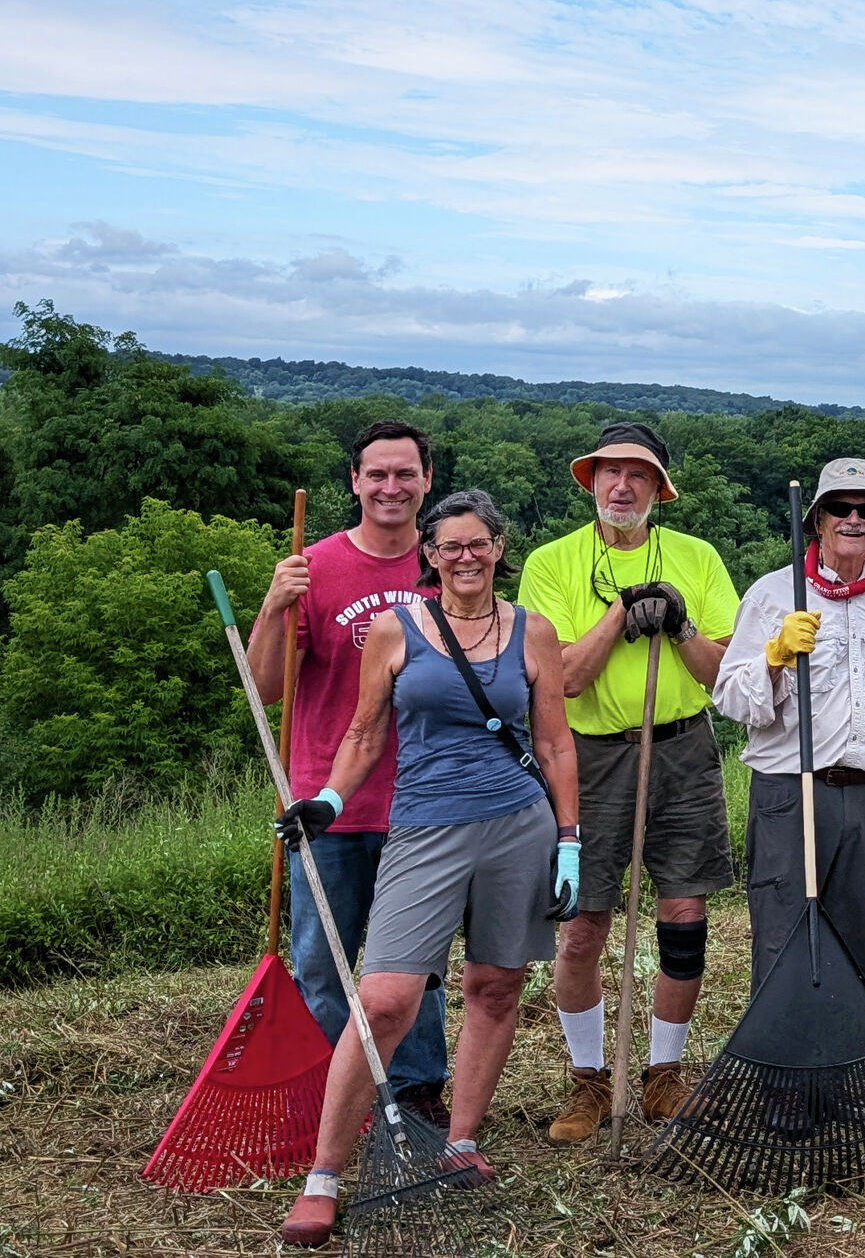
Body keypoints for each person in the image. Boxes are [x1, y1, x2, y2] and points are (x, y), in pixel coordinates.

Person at [276, 490, 580, 1246]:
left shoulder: (533, 631)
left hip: (519, 824)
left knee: (496, 983)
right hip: (424, 826)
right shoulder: (396, 627)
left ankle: (463, 1138)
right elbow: (363, 730)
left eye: (479, 544)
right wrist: (330, 799)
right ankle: (324, 1175)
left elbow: (555, 745)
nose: (467, 557)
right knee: (383, 997)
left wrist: (570, 840)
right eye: (451, 547)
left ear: (499, 547)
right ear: (431, 557)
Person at [516, 422, 739, 1141]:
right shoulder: (551, 564)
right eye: (609, 472)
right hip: (589, 755)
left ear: (659, 489)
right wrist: (621, 611)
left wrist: (677, 623)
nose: (621, 485)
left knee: (683, 918)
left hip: (682, 748)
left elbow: (721, 674)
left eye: (638, 475)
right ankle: (589, 1081)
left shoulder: (699, 558)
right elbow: (566, 678)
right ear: (591, 481)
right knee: (582, 926)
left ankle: (662, 1076)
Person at [245, 420, 450, 1127]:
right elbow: (267, 685)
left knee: (417, 966)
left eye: (405, 473)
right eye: (377, 474)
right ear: (354, 482)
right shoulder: (316, 565)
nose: (391, 486)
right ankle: (342, 1094)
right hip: (323, 802)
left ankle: (419, 1091)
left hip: (422, 802)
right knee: (321, 965)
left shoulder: (444, 567)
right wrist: (274, 602)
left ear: (427, 479)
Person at [715, 458, 865, 991]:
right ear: (818, 519)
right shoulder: (772, 594)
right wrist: (774, 656)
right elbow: (730, 699)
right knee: (783, 937)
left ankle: (842, 1062)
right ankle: (783, 1067)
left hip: (864, 794)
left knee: (854, 940)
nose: (853, 519)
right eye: (839, 508)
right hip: (790, 791)